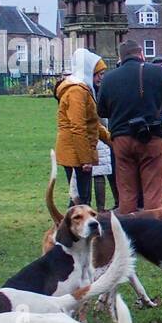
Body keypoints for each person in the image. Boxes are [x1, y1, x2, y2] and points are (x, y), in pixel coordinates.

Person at [97, 39, 162, 214]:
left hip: (121, 140)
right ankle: (151, 233)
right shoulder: (157, 72)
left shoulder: (109, 78)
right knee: (153, 193)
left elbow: (102, 110)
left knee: (127, 194)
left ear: (120, 57)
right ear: (141, 53)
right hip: (151, 137)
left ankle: (128, 234)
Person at [53, 48, 110, 205]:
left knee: (81, 198)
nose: (101, 78)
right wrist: (85, 159)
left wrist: (113, 142)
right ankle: (72, 229)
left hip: (77, 151)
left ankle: (74, 228)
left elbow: (92, 124)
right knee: (80, 200)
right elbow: (78, 127)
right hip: (75, 154)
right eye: (99, 74)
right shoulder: (77, 92)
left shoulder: (82, 89)